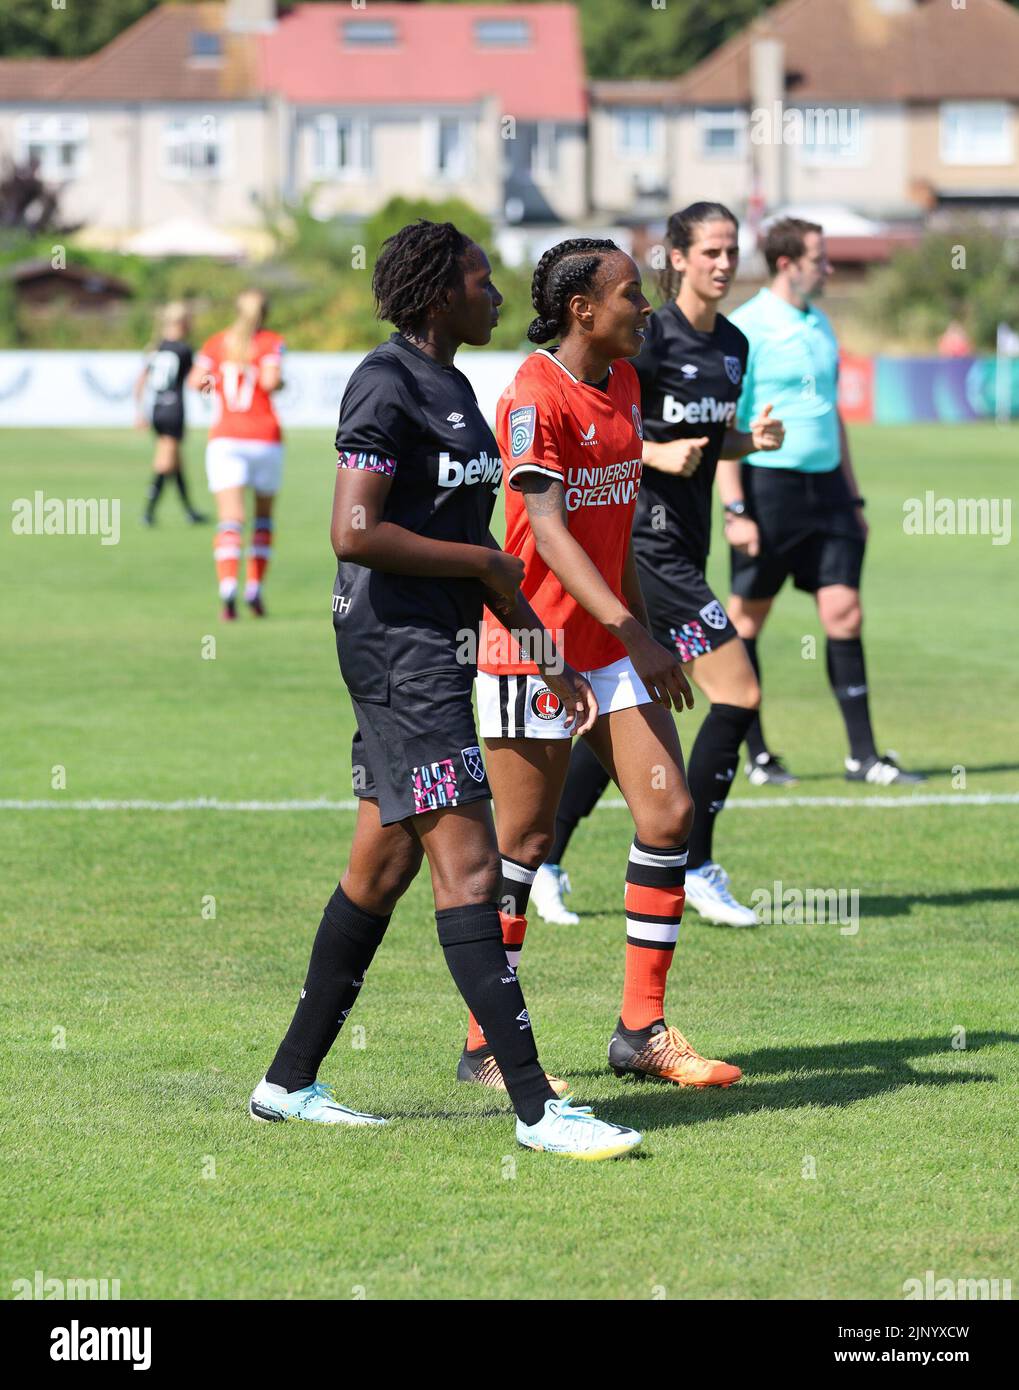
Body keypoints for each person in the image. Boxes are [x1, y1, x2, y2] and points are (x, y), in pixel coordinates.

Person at [250, 220, 642, 1161]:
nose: (496, 293)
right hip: (396, 656)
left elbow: (490, 575)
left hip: (444, 646)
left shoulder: (458, 389)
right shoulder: (384, 383)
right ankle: (540, 1108)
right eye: (479, 279)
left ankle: (287, 1083)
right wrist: (482, 563)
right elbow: (353, 530)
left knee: (380, 868)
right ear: (436, 297)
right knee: (470, 869)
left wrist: (541, 648)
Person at [461, 236, 742, 1090]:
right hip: (533, 648)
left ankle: (641, 1031)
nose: (644, 309)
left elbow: (609, 530)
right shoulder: (531, 396)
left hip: (611, 644)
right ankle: (483, 1040)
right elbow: (546, 532)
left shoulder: (623, 381)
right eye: (630, 295)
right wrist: (634, 630)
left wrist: (639, 635)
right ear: (583, 309)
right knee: (523, 841)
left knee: (667, 816)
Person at [529, 203, 787, 931]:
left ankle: (546, 855)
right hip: (647, 548)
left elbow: (702, 440)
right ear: (674, 257)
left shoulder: (732, 343)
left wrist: (746, 442)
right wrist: (654, 454)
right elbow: (606, 432)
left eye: (731, 249)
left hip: (684, 543)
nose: (723, 262)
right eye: (709, 249)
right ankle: (696, 863)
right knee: (735, 693)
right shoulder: (643, 335)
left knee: (619, 707)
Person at [725, 219, 924, 786]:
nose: (829, 268)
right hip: (769, 490)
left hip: (830, 494)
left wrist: (853, 496)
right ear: (787, 263)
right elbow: (729, 425)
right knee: (747, 620)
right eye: (820, 258)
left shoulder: (821, 323)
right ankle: (758, 754)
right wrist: (735, 509)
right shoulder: (747, 328)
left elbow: (831, 413)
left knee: (845, 612)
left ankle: (863, 756)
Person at [189, 290, 285, 621]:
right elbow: (272, 382)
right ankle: (254, 588)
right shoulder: (271, 341)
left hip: (226, 438)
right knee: (262, 518)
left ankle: (227, 588)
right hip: (264, 438)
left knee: (231, 519)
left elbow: (194, 382)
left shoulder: (216, 343)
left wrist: (214, 384)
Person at [134, 303, 206, 526]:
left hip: (157, 408)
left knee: (176, 462)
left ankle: (189, 511)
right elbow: (198, 381)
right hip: (174, 409)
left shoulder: (155, 347)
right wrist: (214, 387)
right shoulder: (184, 349)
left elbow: (140, 382)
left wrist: (139, 412)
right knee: (165, 462)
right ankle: (148, 511)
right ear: (184, 323)